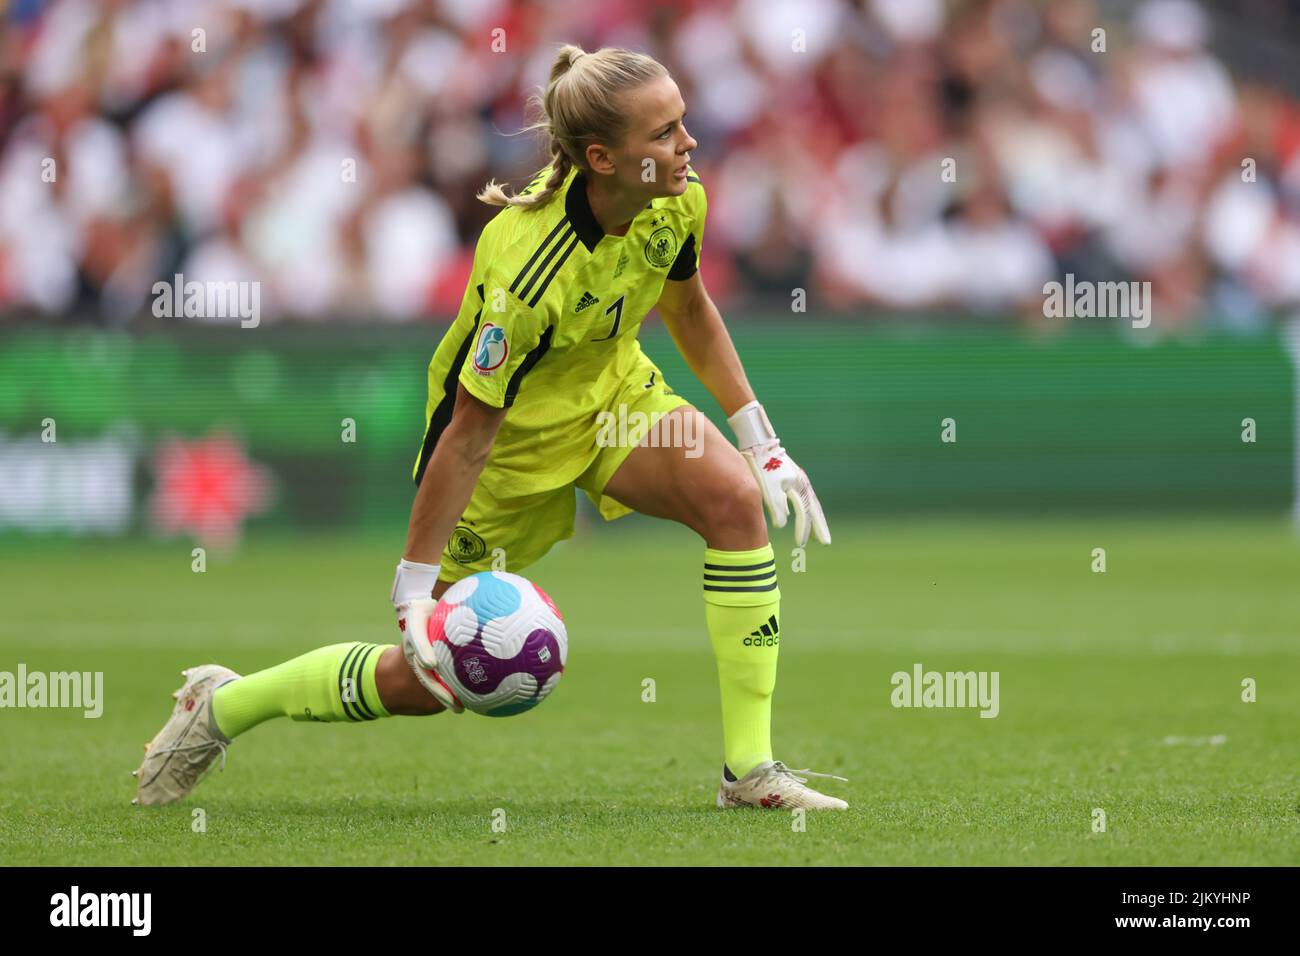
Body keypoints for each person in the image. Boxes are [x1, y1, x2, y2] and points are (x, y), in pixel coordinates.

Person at [133, 45, 842, 811]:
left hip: (610, 400)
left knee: (736, 505)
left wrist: (761, 443)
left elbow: (689, 307)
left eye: (683, 123)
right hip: (501, 457)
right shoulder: (527, 270)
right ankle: (225, 705)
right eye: (666, 132)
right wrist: (411, 595)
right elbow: (468, 433)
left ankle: (750, 774)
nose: (689, 145)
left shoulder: (679, 195)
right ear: (602, 158)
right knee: (425, 682)